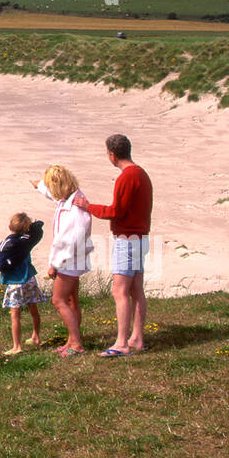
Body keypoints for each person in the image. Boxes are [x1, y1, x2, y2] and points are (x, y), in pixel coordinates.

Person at [73, 134, 153, 357]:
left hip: (127, 239)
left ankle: (122, 343)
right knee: (136, 289)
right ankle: (136, 338)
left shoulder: (127, 177)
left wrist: (88, 206)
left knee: (119, 290)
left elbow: (116, 211)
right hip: (140, 238)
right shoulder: (142, 174)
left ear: (112, 154)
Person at [30, 164, 93, 357]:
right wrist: (38, 185)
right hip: (74, 259)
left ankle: (77, 344)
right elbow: (52, 194)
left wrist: (53, 265)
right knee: (72, 300)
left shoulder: (74, 210)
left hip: (69, 260)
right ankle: (72, 339)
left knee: (58, 300)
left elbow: (66, 242)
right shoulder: (72, 196)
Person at [0, 212, 47, 355]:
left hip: (15, 282)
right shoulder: (28, 239)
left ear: (9, 227)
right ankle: (36, 337)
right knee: (33, 308)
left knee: (15, 315)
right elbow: (37, 228)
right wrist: (30, 226)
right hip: (29, 278)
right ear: (26, 228)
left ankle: (17, 346)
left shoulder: (8, 243)